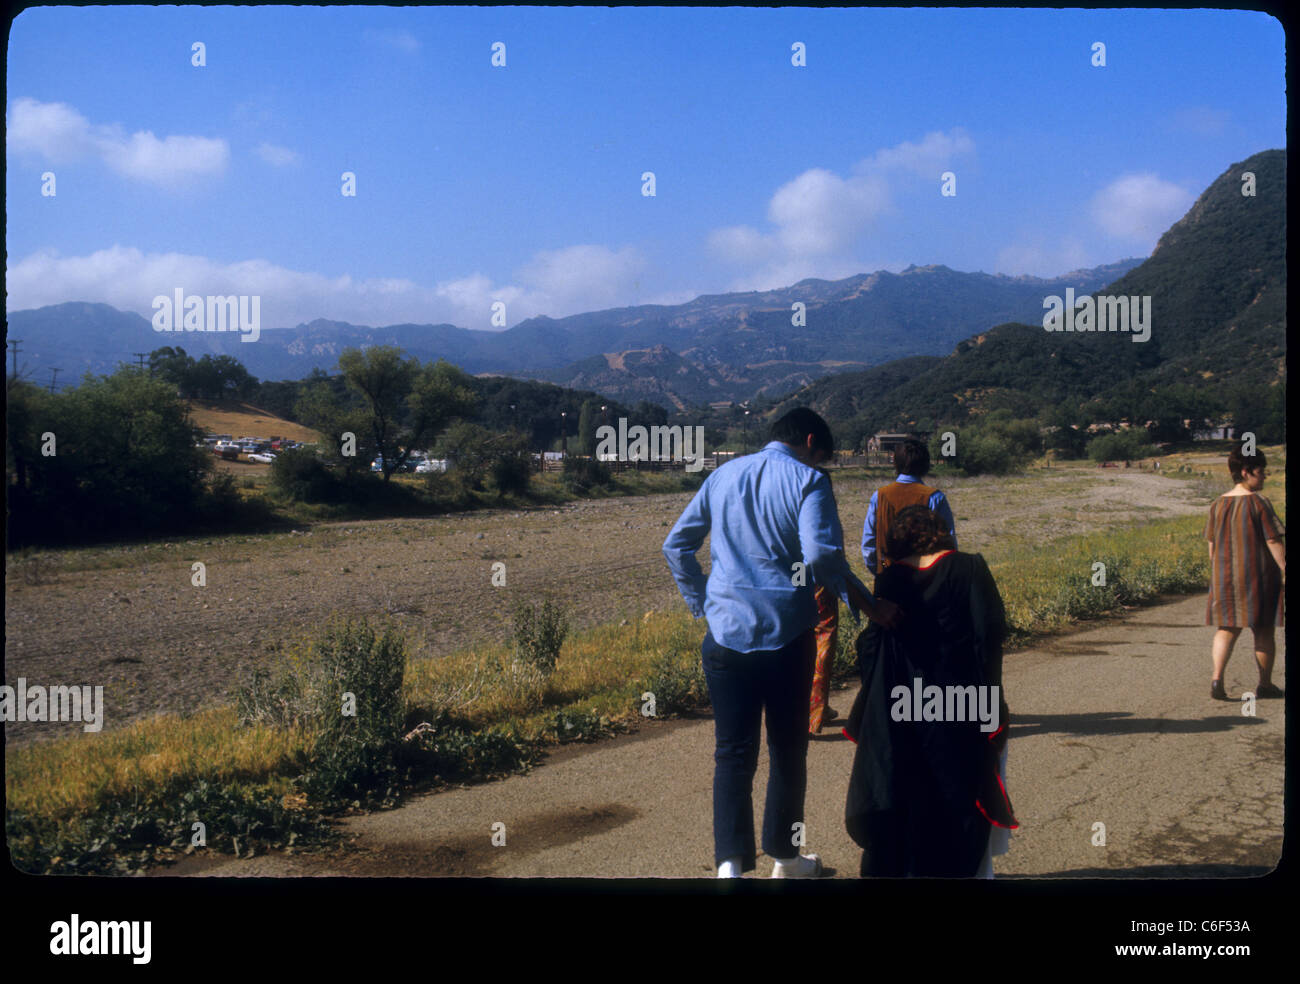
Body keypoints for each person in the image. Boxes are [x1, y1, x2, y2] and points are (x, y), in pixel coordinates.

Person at [664, 408, 900, 878]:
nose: (820, 465)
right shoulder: (810, 482)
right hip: (787, 638)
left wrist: (703, 604)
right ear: (811, 441)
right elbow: (820, 555)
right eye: (820, 456)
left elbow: (676, 546)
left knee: (732, 754)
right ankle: (786, 861)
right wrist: (871, 608)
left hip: (725, 639)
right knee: (788, 752)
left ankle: (730, 868)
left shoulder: (724, 474)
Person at [844, 505, 1016, 877]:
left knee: (911, 788)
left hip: (903, 705)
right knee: (964, 790)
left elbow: (874, 647)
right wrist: (993, 709)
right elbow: (989, 641)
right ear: (940, 531)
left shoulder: (890, 580)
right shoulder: (970, 568)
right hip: (962, 702)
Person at [1205, 444, 1285, 701]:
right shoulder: (1259, 503)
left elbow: (1211, 545)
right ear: (1247, 471)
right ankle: (1265, 684)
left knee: (1226, 628)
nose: (1264, 476)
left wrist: (1217, 571)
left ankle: (1217, 678)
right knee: (1262, 630)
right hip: (1257, 577)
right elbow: (1273, 540)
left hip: (1224, 577)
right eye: (1261, 471)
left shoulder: (1217, 504)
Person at [862, 439, 957, 577]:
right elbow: (949, 544)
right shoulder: (935, 497)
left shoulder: (879, 496)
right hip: (927, 582)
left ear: (896, 464)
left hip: (888, 579)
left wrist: (880, 572)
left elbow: (868, 544)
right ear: (925, 465)